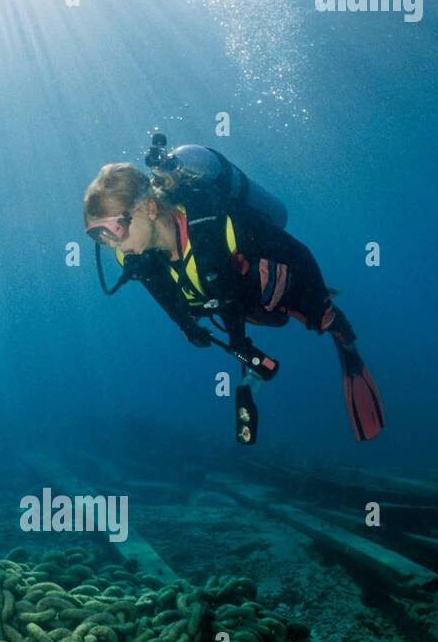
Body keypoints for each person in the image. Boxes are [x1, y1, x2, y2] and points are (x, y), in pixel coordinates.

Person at [83, 149, 384, 445]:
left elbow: (298, 253)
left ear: (149, 208)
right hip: (236, 305)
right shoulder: (136, 257)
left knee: (315, 316)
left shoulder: (217, 223)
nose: (116, 248)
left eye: (116, 230)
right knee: (252, 312)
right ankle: (255, 362)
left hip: (269, 290)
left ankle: (343, 338)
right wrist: (187, 326)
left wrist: (319, 301)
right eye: (101, 237)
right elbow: (163, 294)